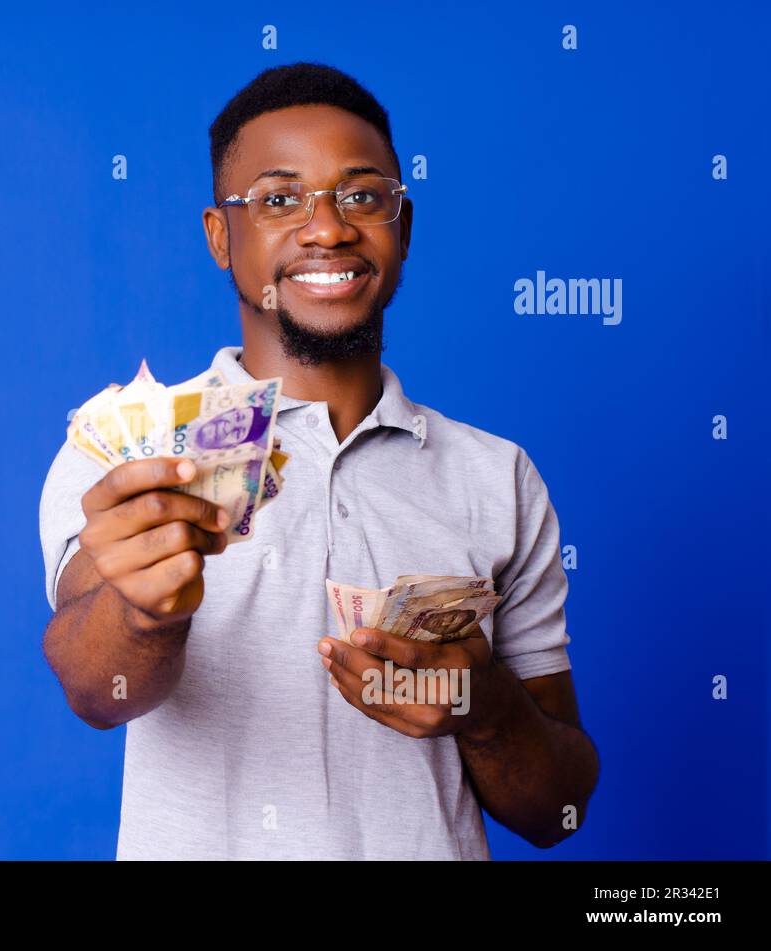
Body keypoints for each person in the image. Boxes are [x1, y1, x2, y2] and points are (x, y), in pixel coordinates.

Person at [38, 62, 599, 860]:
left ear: (403, 228)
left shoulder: (497, 477)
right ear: (219, 236)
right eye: (277, 199)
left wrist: (482, 706)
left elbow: (561, 810)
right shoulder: (130, 446)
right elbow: (95, 691)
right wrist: (142, 613)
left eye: (362, 195)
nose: (327, 228)